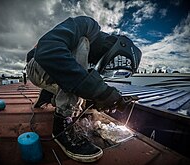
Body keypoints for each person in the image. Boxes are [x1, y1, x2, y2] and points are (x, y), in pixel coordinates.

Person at [26, 16, 142, 163]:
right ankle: (62, 126)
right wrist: (100, 92)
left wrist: (104, 99)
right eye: (114, 70)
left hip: (48, 73)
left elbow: (84, 81)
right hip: (36, 65)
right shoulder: (88, 27)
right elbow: (47, 50)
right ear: (119, 53)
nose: (109, 74)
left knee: (87, 78)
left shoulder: (93, 60)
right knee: (82, 43)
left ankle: (50, 95)